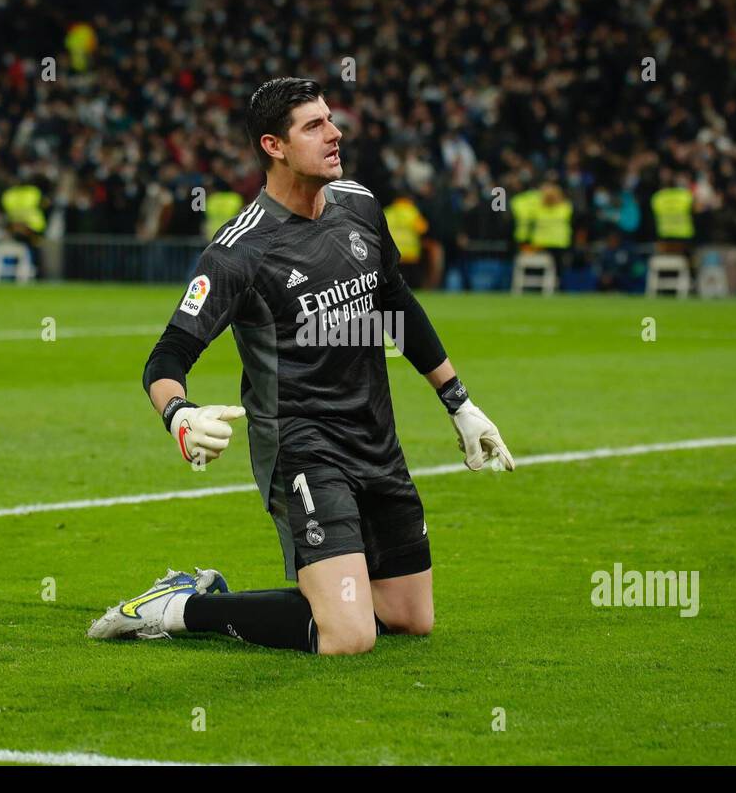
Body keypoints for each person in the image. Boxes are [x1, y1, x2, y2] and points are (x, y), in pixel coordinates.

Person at [87, 78, 515, 655]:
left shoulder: (359, 205)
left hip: (377, 439)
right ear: (274, 145)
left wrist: (459, 403)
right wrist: (179, 415)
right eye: (314, 126)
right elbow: (167, 356)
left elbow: (398, 306)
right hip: (303, 446)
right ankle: (179, 606)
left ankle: (217, 599)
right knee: (349, 635)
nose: (335, 133)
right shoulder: (240, 251)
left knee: (410, 618)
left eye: (331, 119)